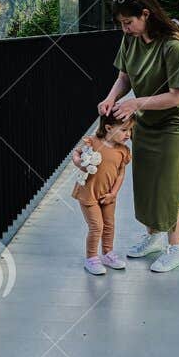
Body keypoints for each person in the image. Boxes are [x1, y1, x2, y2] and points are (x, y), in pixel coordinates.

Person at [97, 0, 179, 273]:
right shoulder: (131, 39)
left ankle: (175, 247)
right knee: (147, 179)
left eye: (129, 23)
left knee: (168, 182)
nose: (125, 29)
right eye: (121, 24)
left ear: (146, 14)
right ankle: (153, 237)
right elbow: (124, 77)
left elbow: (178, 95)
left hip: (174, 121)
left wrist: (136, 103)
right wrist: (111, 97)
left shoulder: (173, 45)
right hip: (147, 119)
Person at [70, 111, 132, 275]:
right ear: (109, 128)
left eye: (130, 130)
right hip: (88, 193)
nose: (128, 135)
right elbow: (76, 153)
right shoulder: (93, 142)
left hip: (108, 195)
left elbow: (120, 173)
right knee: (97, 226)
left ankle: (107, 253)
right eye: (124, 130)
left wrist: (114, 193)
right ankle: (91, 258)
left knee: (109, 225)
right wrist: (79, 163)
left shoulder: (123, 150)